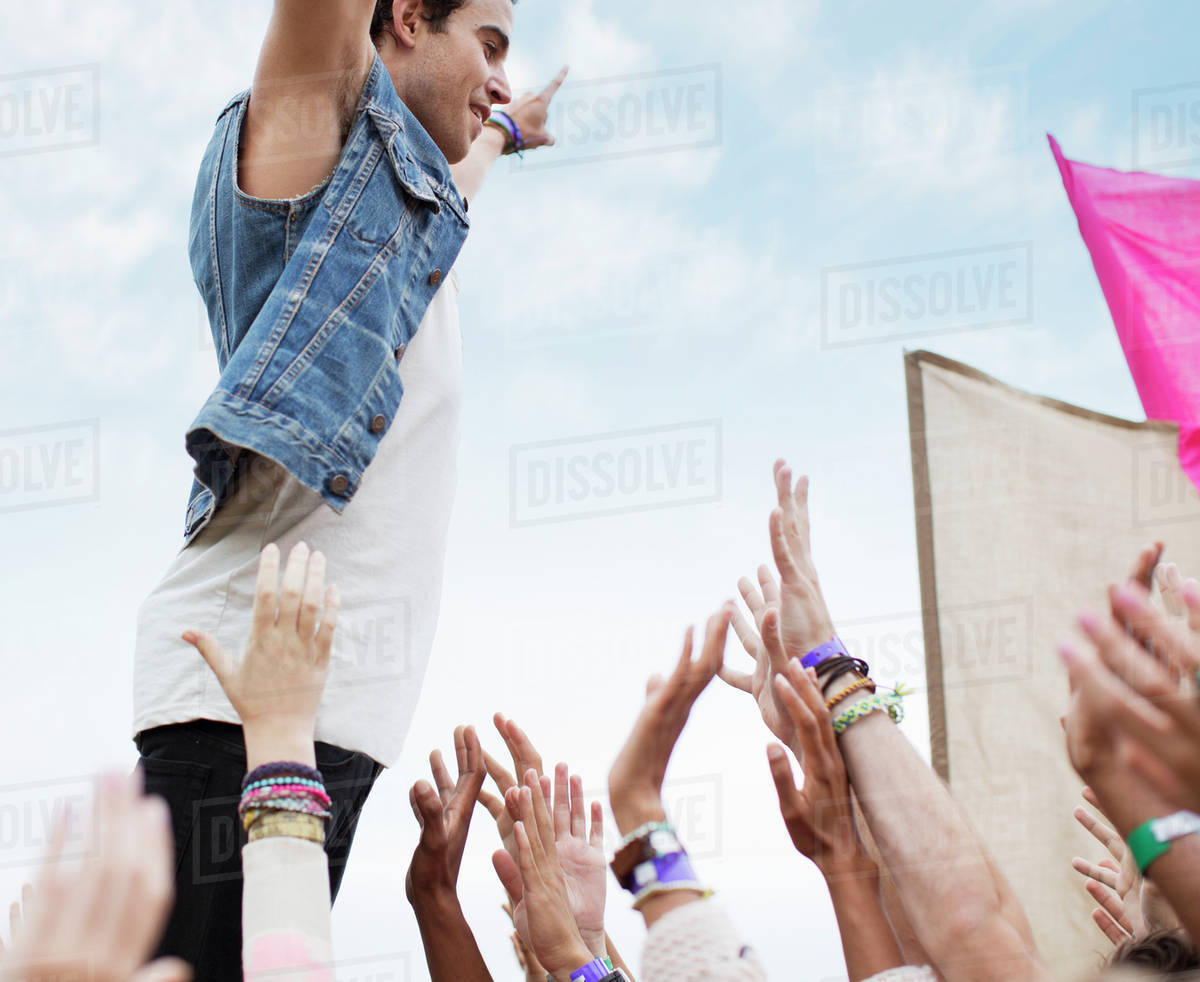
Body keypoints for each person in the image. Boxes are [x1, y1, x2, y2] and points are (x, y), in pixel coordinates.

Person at [129, 2, 565, 977]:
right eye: (488, 47)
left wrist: (507, 130)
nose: (499, 74)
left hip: (311, 720)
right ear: (406, 18)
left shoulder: (407, 222)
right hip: (243, 710)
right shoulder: (309, 142)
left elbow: (453, 188)